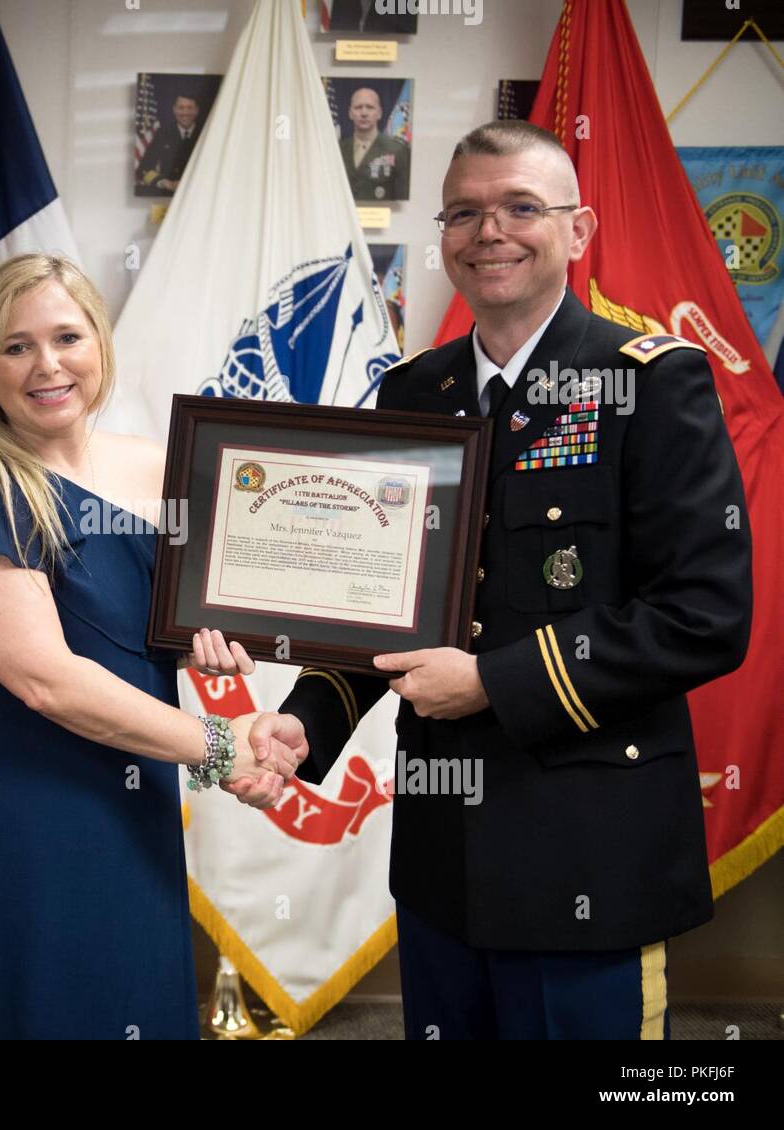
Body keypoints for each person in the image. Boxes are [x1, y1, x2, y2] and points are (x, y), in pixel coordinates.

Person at [235, 119, 753, 1038]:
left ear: (578, 230)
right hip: (444, 857)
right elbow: (383, 602)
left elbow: (703, 615)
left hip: (590, 850)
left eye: (521, 207)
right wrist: (307, 718)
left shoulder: (650, 381)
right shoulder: (414, 392)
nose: (490, 233)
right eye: (465, 213)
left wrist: (491, 681)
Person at [0, 253, 309, 1040]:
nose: (47, 365)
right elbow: (46, 679)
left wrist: (207, 646)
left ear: (100, 343)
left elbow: (140, 629)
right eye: (16, 346)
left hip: (132, 788)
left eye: (66, 337)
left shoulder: (157, 465)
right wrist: (222, 747)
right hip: (17, 806)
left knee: (127, 998)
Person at [340, 87, 410, 202]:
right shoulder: (337, 149)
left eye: (370, 107)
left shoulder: (398, 151)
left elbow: (403, 200)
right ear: (350, 113)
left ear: (379, 113)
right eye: (358, 107)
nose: (364, 113)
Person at [136, 93, 201, 194]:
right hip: (168, 194)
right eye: (181, 108)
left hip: (199, 192)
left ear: (197, 110)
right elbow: (143, 169)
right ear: (174, 110)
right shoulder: (163, 134)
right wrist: (165, 183)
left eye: (190, 108)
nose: (185, 112)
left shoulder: (205, 133)